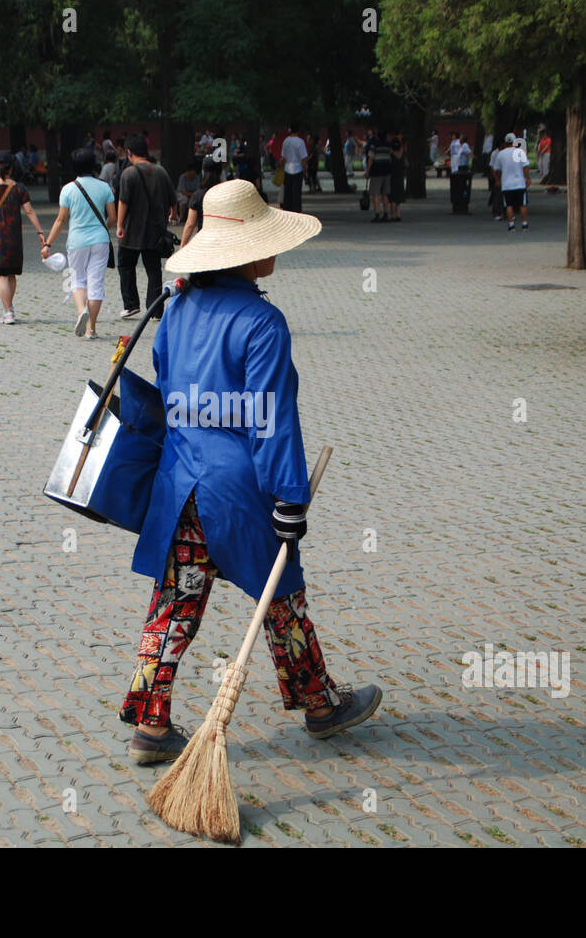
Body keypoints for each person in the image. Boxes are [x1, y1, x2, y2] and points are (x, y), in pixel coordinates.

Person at [122, 178, 383, 763]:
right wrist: (289, 499)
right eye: (267, 239)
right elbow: (271, 421)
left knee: (176, 603)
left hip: (181, 483)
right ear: (247, 252)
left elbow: (170, 393)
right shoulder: (264, 323)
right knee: (280, 593)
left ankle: (150, 724)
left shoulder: (177, 310)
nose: (275, 250)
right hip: (239, 491)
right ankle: (319, 704)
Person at [43, 148, 116, 341]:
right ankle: (91, 329)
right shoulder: (105, 188)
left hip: (77, 241)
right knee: (96, 283)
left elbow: (60, 220)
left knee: (77, 280)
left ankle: (81, 310)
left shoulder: (68, 189)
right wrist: (103, 228)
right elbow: (113, 217)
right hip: (100, 240)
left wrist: (48, 244)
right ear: (93, 165)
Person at [0, 151, 47, 325]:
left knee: (2, 275)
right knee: (11, 274)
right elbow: (29, 211)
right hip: (14, 237)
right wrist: (40, 232)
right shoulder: (19, 188)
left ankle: (7, 312)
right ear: (12, 168)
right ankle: (10, 307)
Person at [115, 134, 174, 320]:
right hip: (155, 231)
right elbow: (172, 198)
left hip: (131, 231)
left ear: (129, 153)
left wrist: (119, 224)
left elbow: (123, 202)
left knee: (126, 265)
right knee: (154, 269)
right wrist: (173, 213)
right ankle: (156, 309)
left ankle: (131, 305)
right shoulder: (161, 171)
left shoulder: (129, 173)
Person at [180, 157, 225, 247]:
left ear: (203, 171)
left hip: (205, 240)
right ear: (220, 172)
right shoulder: (226, 193)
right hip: (223, 239)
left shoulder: (198, 195)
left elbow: (190, 224)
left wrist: (183, 245)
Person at [496, 133, 530, 231]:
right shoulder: (520, 152)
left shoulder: (501, 154)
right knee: (522, 204)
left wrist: (498, 179)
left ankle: (511, 225)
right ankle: (524, 224)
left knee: (509, 205)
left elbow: (497, 170)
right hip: (520, 183)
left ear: (505, 142)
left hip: (507, 184)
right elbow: (525, 167)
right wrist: (527, 178)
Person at [278, 125, 308, 212]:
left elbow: (283, 157)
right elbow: (303, 158)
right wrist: (305, 169)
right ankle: (297, 209)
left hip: (287, 168)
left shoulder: (286, 141)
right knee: (296, 192)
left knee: (288, 192)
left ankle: (287, 209)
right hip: (297, 168)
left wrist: (280, 165)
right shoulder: (300, 142)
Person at [366, 128, 392, 222]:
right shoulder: (388, 146)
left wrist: (368, 171)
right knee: (385, 194)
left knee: (375, 193)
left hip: (376, 171)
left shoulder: (374, 145)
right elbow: (390, 158)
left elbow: (370, 159)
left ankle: (377, 214)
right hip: (386, 171)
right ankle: (386, 213)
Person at [173, 159, 201, 224]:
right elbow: (182, 191)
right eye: (189, 171)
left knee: (195, 200)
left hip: (193, 194)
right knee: (184, 199)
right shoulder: (183, 177)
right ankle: (181, 217)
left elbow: (198, 190)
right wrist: (191, 195)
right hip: (182, 194)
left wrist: (192, 195)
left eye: (192, 171)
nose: (191, 173)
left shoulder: (197, 178)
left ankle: (192, 218)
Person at [386, 134, 406, 221]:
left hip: (392, 178)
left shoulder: (391, 156)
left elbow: (388, 165)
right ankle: (398, 215)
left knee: (392, 199)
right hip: (400, 178)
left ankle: (392, 215)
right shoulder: (402, 155)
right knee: (398, 198)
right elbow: (407, 164)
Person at [487, 135, 505, 219]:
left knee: (504, 195)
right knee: (497, 195)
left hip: (504, 175)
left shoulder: (505, 152)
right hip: (497, 175)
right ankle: (496, 212)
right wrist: (496, 178)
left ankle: (504, 212)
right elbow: (492, 166)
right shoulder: (495, 153)